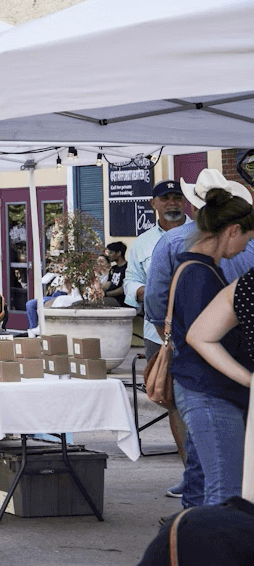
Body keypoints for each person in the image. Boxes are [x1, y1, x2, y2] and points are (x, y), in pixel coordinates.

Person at [147, 172, 249, 506]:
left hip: (201, 386)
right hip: (207, 388)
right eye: (246, 238)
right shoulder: (200, 273)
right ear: (231, 231)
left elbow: (155, 305)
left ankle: (187, 540)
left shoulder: (193, 264)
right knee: (222, 494)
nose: (247, 246)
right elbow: (200, 338)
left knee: (201, 482)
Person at [129, 182, 192, 495]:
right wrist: (146, 290)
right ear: (153, 203)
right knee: (174, 403)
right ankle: (190, 474)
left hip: (196, 328)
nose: (172, 203)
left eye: (177, 197)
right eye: (166, 198)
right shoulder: (142, 243)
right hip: (158, 331)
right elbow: (131, 282)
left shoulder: (202, 232)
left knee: (204, 400)